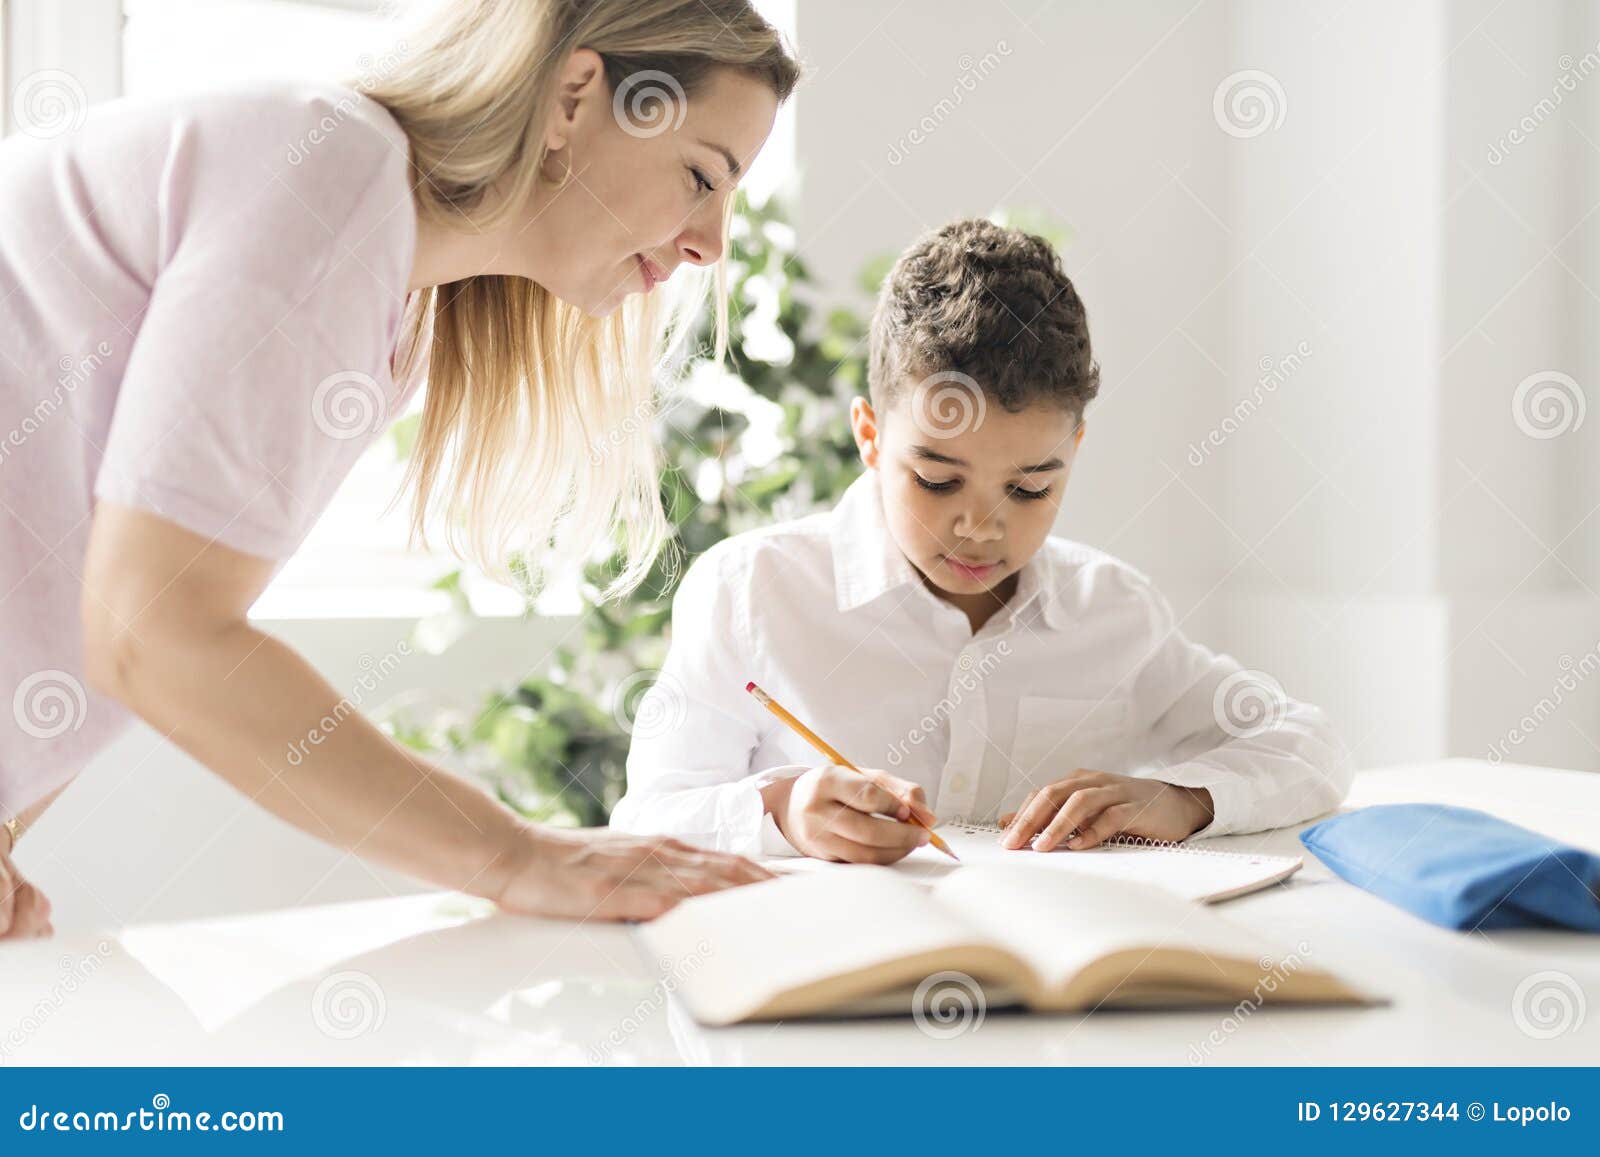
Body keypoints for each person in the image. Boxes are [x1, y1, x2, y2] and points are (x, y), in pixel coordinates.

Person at [0, 0, 801, 938]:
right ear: (574, 97)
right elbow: (155, 634)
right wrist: (518, 856)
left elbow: (102, 600)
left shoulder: (393, 299)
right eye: (702, 176)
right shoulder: (330, 175)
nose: (712, 244)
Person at [611, 218, 1352, 864]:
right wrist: (782, 810)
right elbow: (647, 817)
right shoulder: (751, 590)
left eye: (1029, 489)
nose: (980, 527)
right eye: (938, 481)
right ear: (870, 436)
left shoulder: (1116, 611)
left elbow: (1309, 746)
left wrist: (1183, 798)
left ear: (1073, 451)